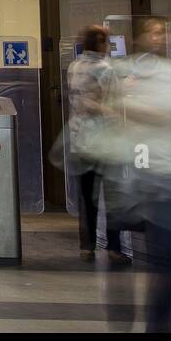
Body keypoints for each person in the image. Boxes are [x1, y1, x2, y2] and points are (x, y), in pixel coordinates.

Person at [117, 17, 171, 332]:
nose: (161, 37)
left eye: (166, 31)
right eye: (154, 31)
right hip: (158, 177)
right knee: (162, 261)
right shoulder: (136, 74)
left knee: (166, 262)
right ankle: (158, 328)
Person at [65, 24, 127, 263]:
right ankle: (113, 246)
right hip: (105, 140)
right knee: (112, 196)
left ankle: (87, 246)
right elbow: (113, 103)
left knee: (87, 195)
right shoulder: (106, 68)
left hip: (80, 140)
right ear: (101, 43)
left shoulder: (75, 66)